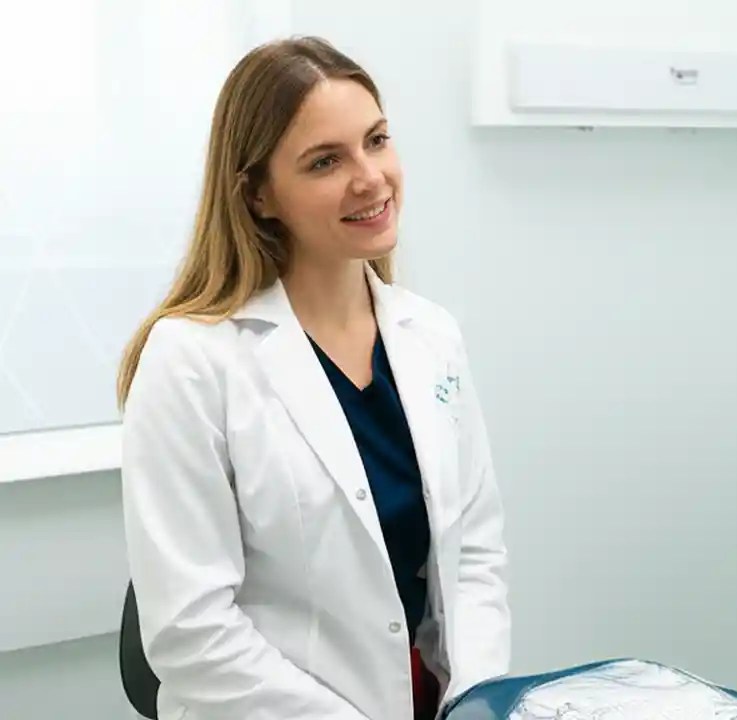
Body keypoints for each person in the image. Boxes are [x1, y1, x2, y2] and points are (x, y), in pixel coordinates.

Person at [117, 37, 510, 720]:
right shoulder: (191, 360)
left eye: (377, 140)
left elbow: (473, 552)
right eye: (326, 161)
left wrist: (474, 700)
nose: (371, 177)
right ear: (259, 194)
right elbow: (191, 631)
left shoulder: (431, 337)